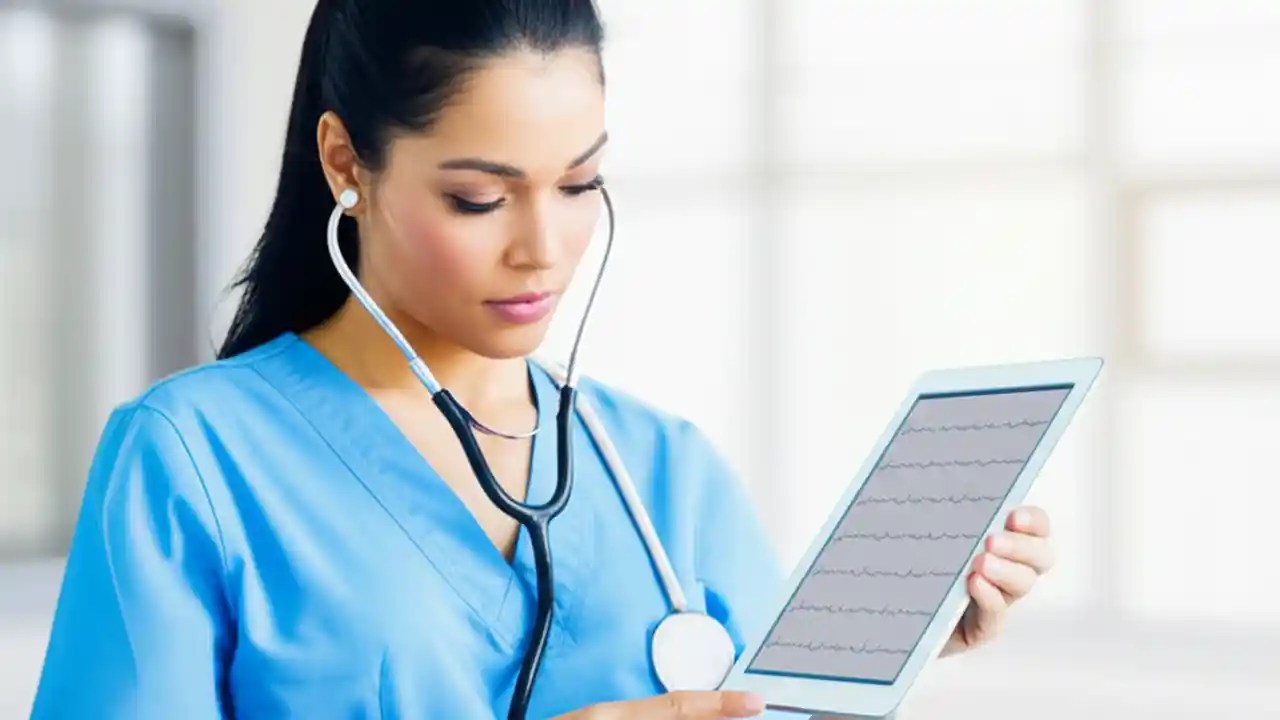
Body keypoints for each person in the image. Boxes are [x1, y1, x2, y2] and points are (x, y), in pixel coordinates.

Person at [31, 1, 1057, 717]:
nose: (543, 246)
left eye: (579, 183)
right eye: (478, 197)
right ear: (346, 161)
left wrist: (878, 668)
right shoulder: (194, 458)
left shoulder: (661, 470)